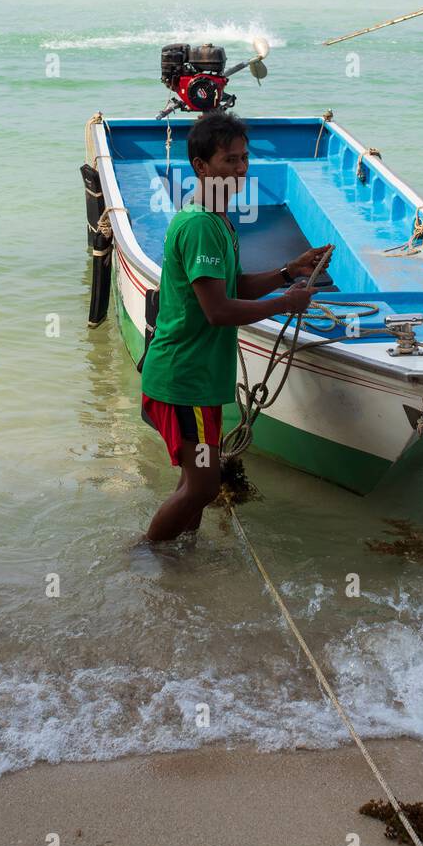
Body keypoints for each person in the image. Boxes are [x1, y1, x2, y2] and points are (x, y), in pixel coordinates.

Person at [139, 110, 332, 542]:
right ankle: (145, 556)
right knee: (205, 487)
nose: (241, 168)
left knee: (192, 484)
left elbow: (234, 285)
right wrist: (286, 301)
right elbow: (218, 310)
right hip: (183, 380)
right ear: (201, 166)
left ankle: (179, 562)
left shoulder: (218, 218)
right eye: (229, 160)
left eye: (245, 158)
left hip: (201, 381)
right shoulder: (201, 226)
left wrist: (288, 271)